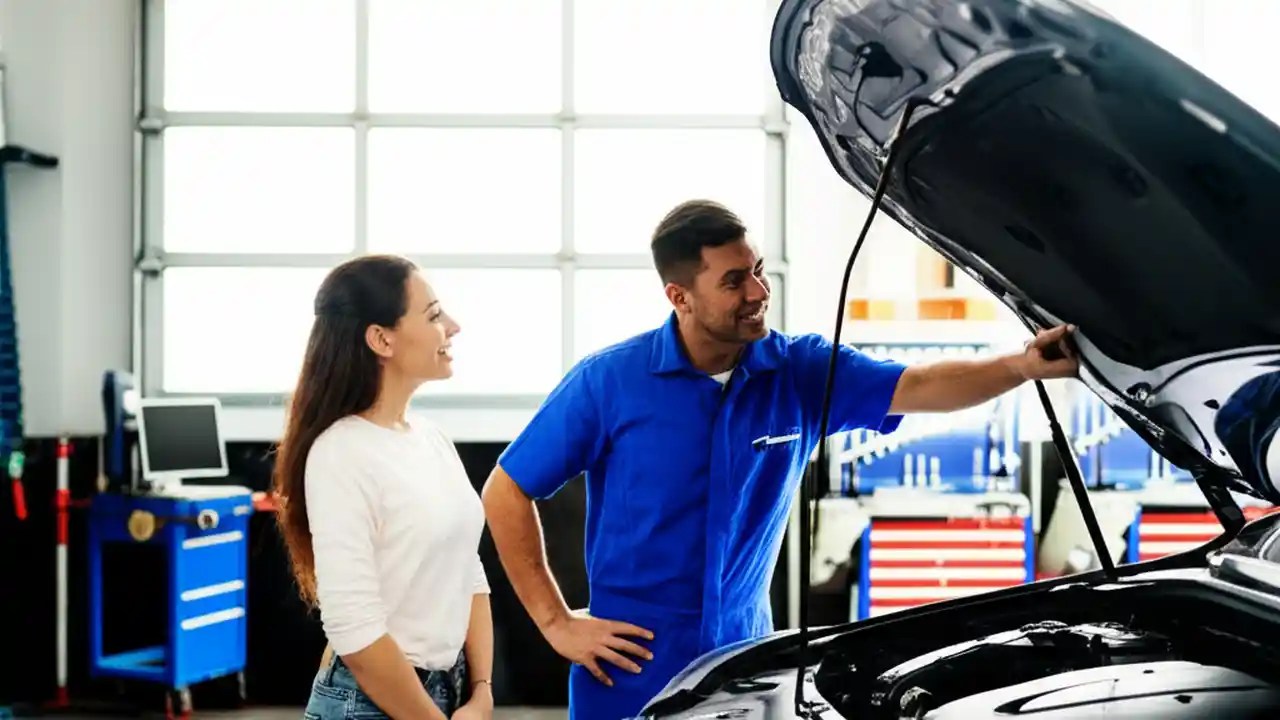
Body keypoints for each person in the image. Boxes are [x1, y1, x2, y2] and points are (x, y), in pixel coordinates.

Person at [481, 199, 1079, 719]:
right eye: (735, 281)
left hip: (748, 664)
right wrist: (556, 622)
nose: (759, 293)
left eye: (759, 271)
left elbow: (921, 386)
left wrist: (1021, 366)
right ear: (679, 296)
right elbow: (506, 488)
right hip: (630, 666)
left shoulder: (798, 372)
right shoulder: (609, 383)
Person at [273, 254, 495, 720]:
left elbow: (467, 570)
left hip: (451, 691)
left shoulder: (431, 438)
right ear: (381, 338)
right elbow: (354, 626)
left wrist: (481, 689)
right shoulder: (341, 453)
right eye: (434, 314)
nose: (452, 326)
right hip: (371, 702)